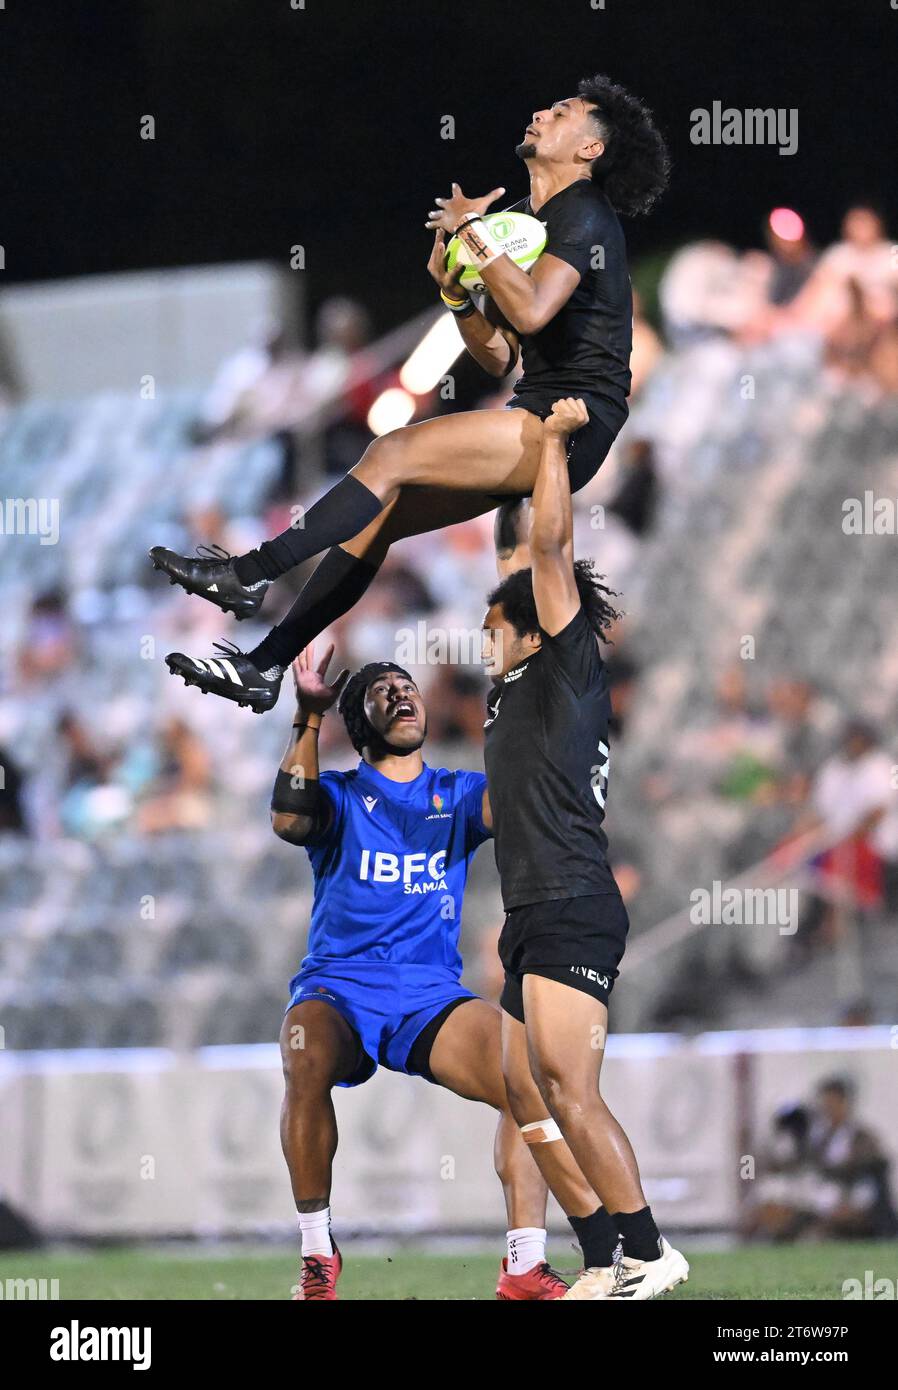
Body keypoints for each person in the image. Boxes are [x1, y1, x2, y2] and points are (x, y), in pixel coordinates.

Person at [152, 74, 670, 712]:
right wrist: (456, 295)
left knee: (390, 452)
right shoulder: (524, 225)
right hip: (534, 408)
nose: (542, 111)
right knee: (381, 516)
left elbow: (535, 312)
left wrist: (473, 233)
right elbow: (501, 351)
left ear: (590, 149)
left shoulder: (582, 210)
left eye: (562, 111)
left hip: (569, 422)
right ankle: (265, 663)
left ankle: (251, 573)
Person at [273, 644, 603, 1300]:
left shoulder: (456, 792)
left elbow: (527, 808)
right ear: (361, 721)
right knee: (302, 1048)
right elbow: (287, 818)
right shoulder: (338, 793)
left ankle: (523, 1265)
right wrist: (307, 718)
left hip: (427, 994)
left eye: (408, 686)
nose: (402, 694)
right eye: (383, 691)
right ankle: (317, 1253)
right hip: (340, 985)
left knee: (523, 1072)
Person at [482, 396, 689, 1300]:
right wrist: (504, 479)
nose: (480, 636)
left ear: (531, 628)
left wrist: (553, 449)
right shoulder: (516, 672)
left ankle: (649, 1250)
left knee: (569, 1085)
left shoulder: (561, 661)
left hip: (570, 897)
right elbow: (515, 555)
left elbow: (547, 554)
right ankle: (601, 1258)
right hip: (530, 907)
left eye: (494, 624)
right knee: (526, 1094)